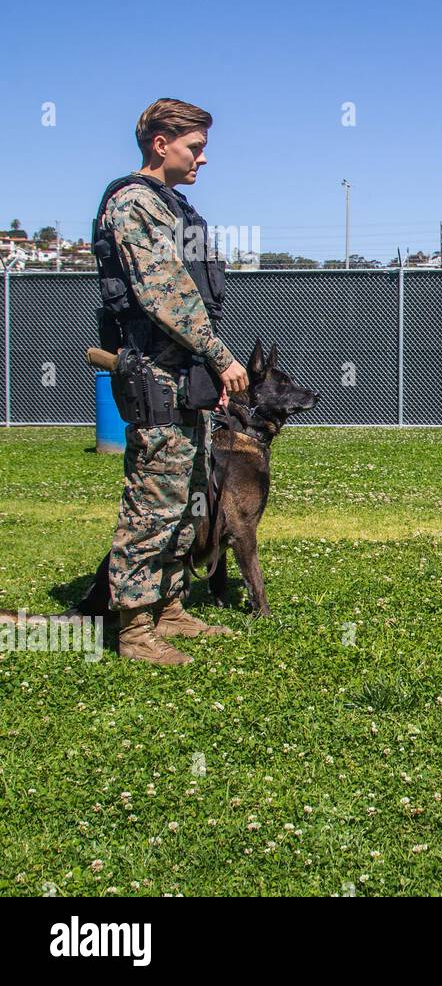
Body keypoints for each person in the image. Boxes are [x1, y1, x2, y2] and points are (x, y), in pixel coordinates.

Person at [92, 99, 249, 665]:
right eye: (195, 147)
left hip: (186, 377)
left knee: (186, 499)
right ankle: (134, 628)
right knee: (153, 503)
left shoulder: (172, 206)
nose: (203, 159)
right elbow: (165, 294)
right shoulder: (134, 203)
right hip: (157, 378)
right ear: (161, 143)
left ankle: (170, 607)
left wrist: (207, 367)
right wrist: (221, 356)